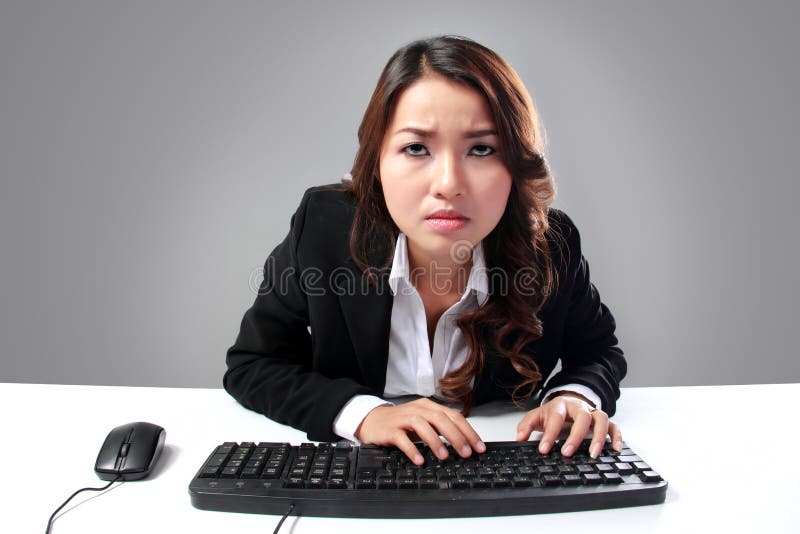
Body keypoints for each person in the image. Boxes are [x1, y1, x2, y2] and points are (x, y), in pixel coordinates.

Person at [223, 34, 626, 466]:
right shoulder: (323, 227)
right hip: (364, 478)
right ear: (377, 162)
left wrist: (573, 397)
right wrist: (363, 415)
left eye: (482, 149)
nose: (448, 184)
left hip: (498, 471)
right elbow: (253, 364)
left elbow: (599, 352)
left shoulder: (551, 245)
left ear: (515, 164)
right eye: (416, 148)